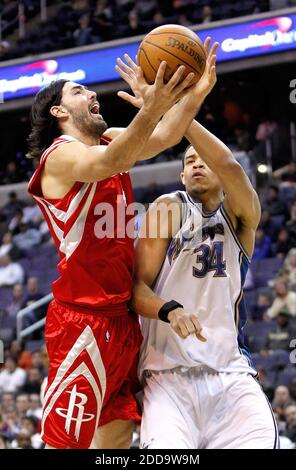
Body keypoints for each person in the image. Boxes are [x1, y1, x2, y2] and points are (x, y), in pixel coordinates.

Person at [26, 48, 211, 449]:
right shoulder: (58, 155)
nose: (93, 94)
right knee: (68, 445)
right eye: (80, 91)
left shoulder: (108, 139)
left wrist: (194, 94)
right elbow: (112, 160)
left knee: (116, 440)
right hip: (82, 322)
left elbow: (164, 136)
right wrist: (152, 108)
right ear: (59, 112)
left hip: (123, 318)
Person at [121, 55, 278, 449]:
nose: (195, 164)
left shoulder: (241, 215)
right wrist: (170, 310)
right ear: (180, 174)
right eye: (188, 161)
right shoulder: (167, 209)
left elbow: (228, 162)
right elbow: (135, 290)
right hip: (167, 379)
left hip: (230, 377)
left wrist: (174, 110)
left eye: (201, 159)